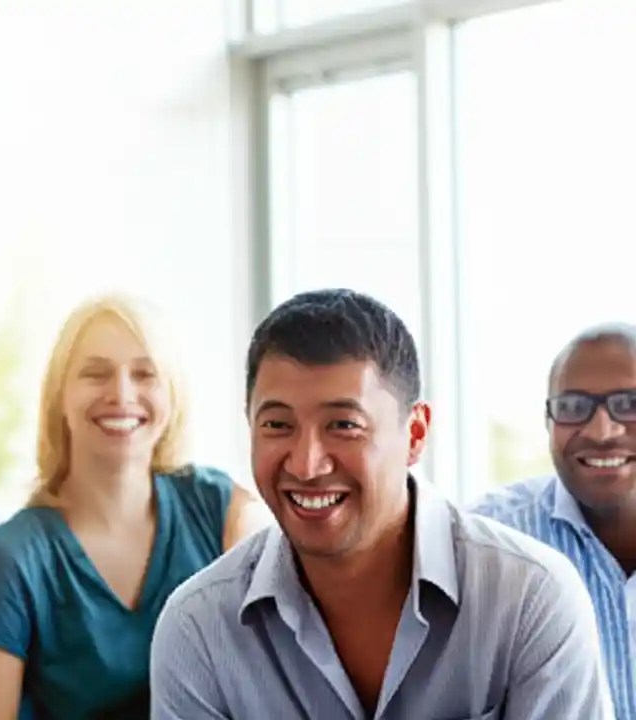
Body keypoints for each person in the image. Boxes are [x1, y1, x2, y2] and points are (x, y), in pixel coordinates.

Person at [149, 288, 614, 719]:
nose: (307, 464)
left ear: (414, 434)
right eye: (277, 426)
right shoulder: (199, 628)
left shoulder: (529, 599)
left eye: (344, 426)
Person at [0, 294, 273, 719]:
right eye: (95, 374)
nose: (121, 393)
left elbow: (278, 676)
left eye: (144, 374)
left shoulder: (222, 511)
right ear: (60, 396)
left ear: (171, 395)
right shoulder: (9, 563)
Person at [471, 323, 636, 720]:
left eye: (629, 404)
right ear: (548, 422)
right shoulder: (489, 544)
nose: (602, 431)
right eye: (573, 407)